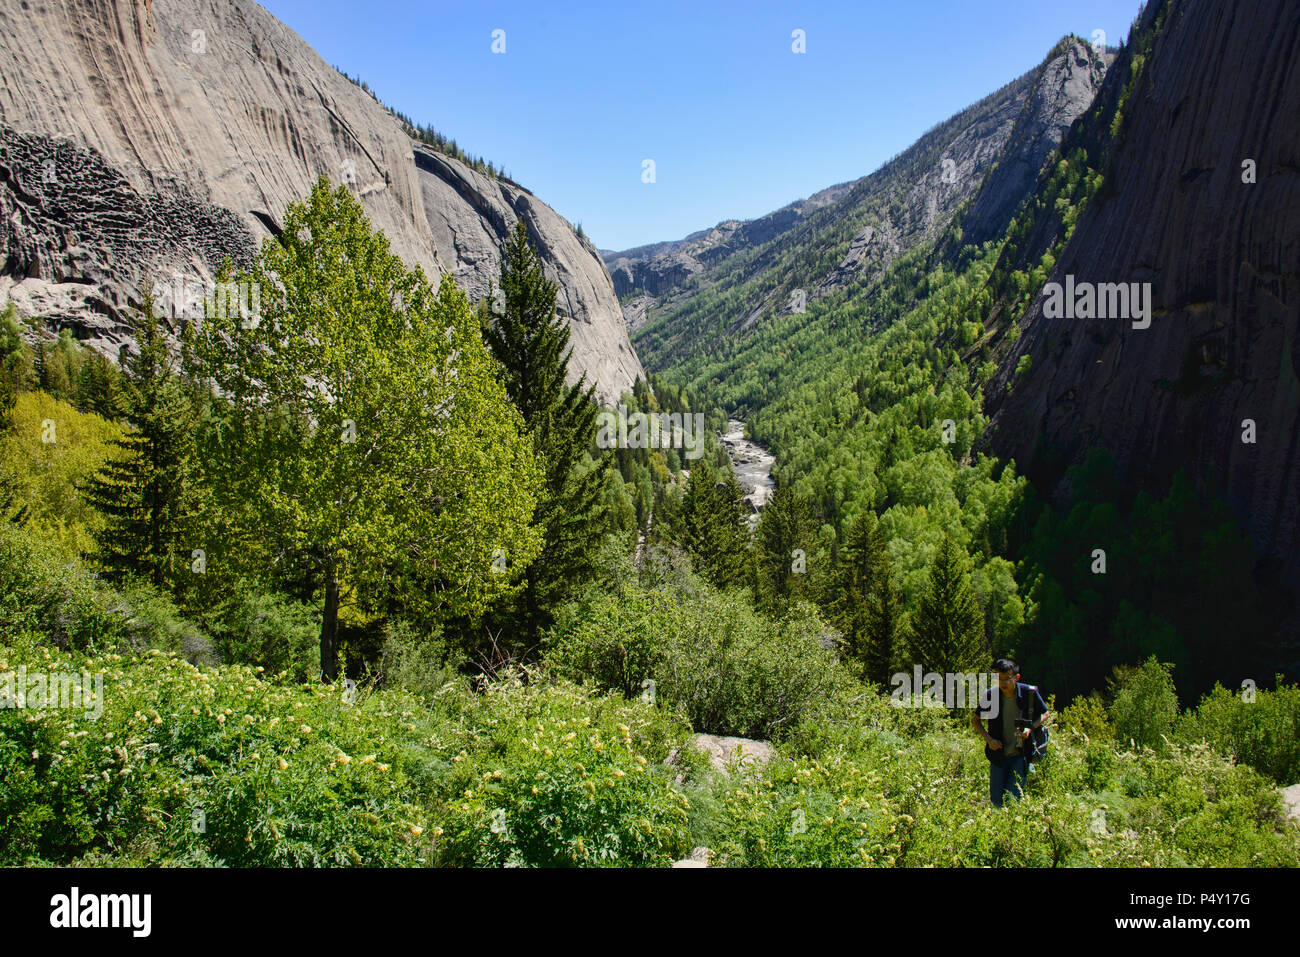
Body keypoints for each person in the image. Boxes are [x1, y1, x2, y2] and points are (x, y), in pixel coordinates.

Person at [969, 658, 1050, 808]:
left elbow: (1045, 713)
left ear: (1016, 678)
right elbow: (975, 720)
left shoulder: (1029, 693)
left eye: (1007, 679)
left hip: (1021, 754)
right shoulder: (990, 696)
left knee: (1013, 800)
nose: (1003, 683)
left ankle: (1012, 828)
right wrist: (989, 740)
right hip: (998, 754)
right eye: (999, 678)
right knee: (997, 801)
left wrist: (1030, 728)